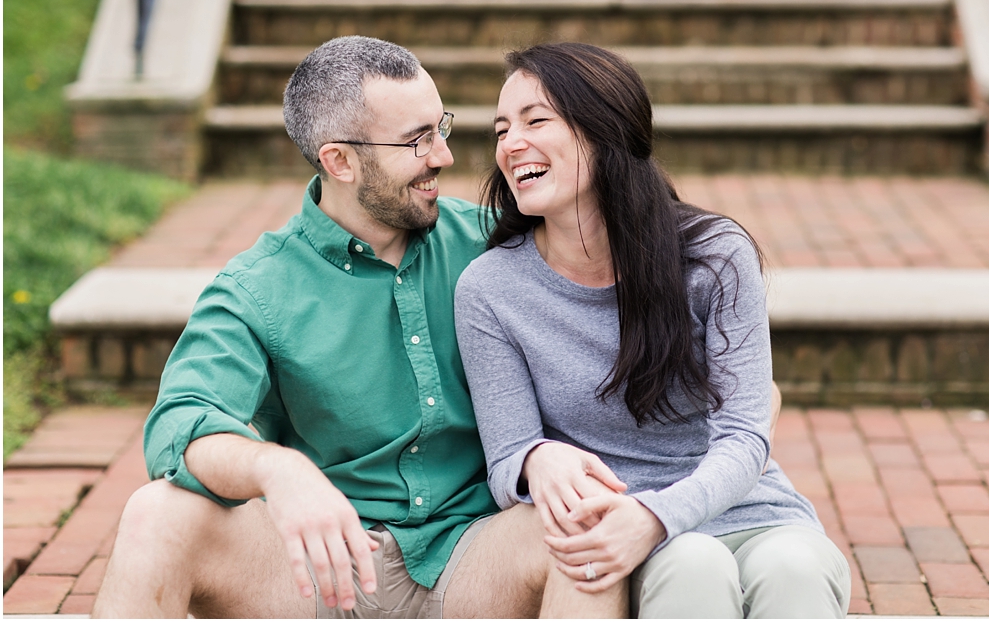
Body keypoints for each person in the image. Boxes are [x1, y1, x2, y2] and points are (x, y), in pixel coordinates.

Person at [91, 36, 628, 619]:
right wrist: (277, 469)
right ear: (339, 161)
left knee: (587, 530)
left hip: (475, 554)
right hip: (322, 566)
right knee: (156, 515)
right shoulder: (258, 286)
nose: (443, 156)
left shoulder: (492, 243)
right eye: (416, 141)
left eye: (440, 127)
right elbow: (179, 423)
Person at [454, 43, 852, 618]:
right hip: (620, 533)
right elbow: (508, 459)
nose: (511, 143)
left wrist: (658, 516)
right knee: (694, 565)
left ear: (605, 129)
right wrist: (537, 459)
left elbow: (746, 436)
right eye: (500, 128)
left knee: (797, 568)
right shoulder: (490, 289)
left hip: (749, 512)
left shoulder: (715, 256)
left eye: (535, 120)